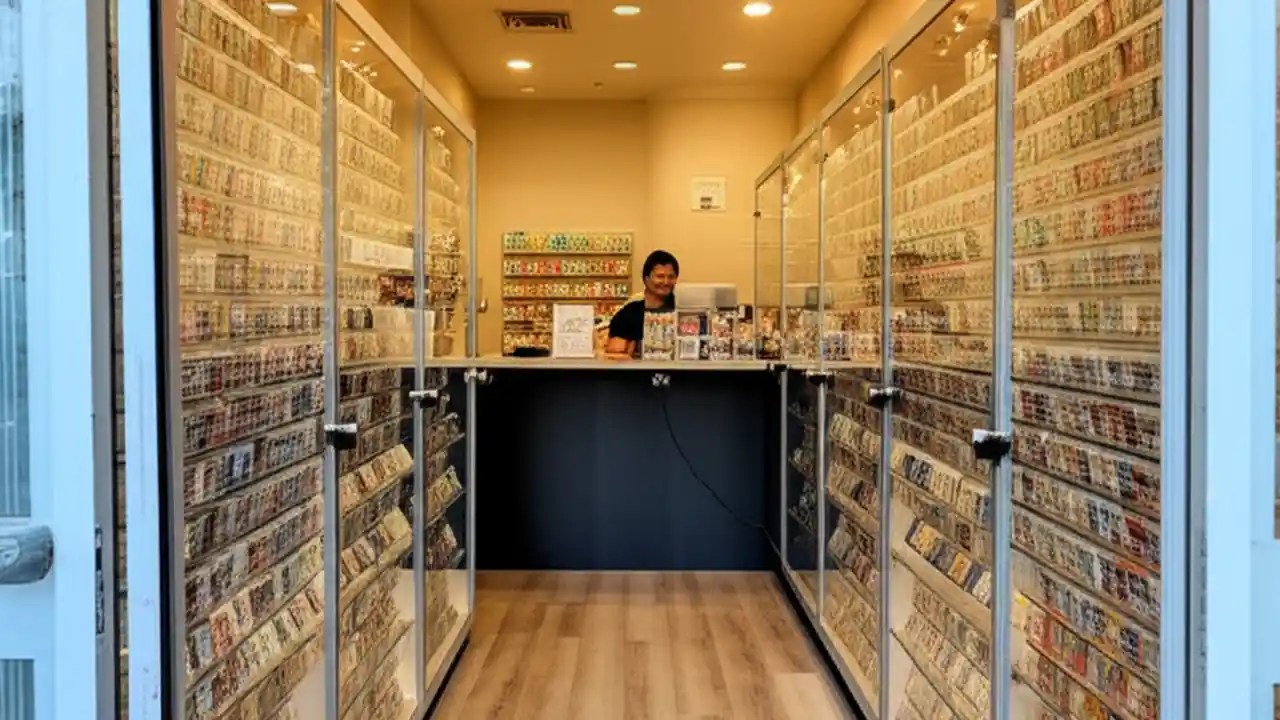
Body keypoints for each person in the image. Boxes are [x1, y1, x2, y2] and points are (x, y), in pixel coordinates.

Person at [605, 249, 679, 358]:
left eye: (671, 277)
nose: (666, 282)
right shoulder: (628, 314)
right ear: (646, 279)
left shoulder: (682, 309)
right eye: (660, 276)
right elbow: (615, 354)